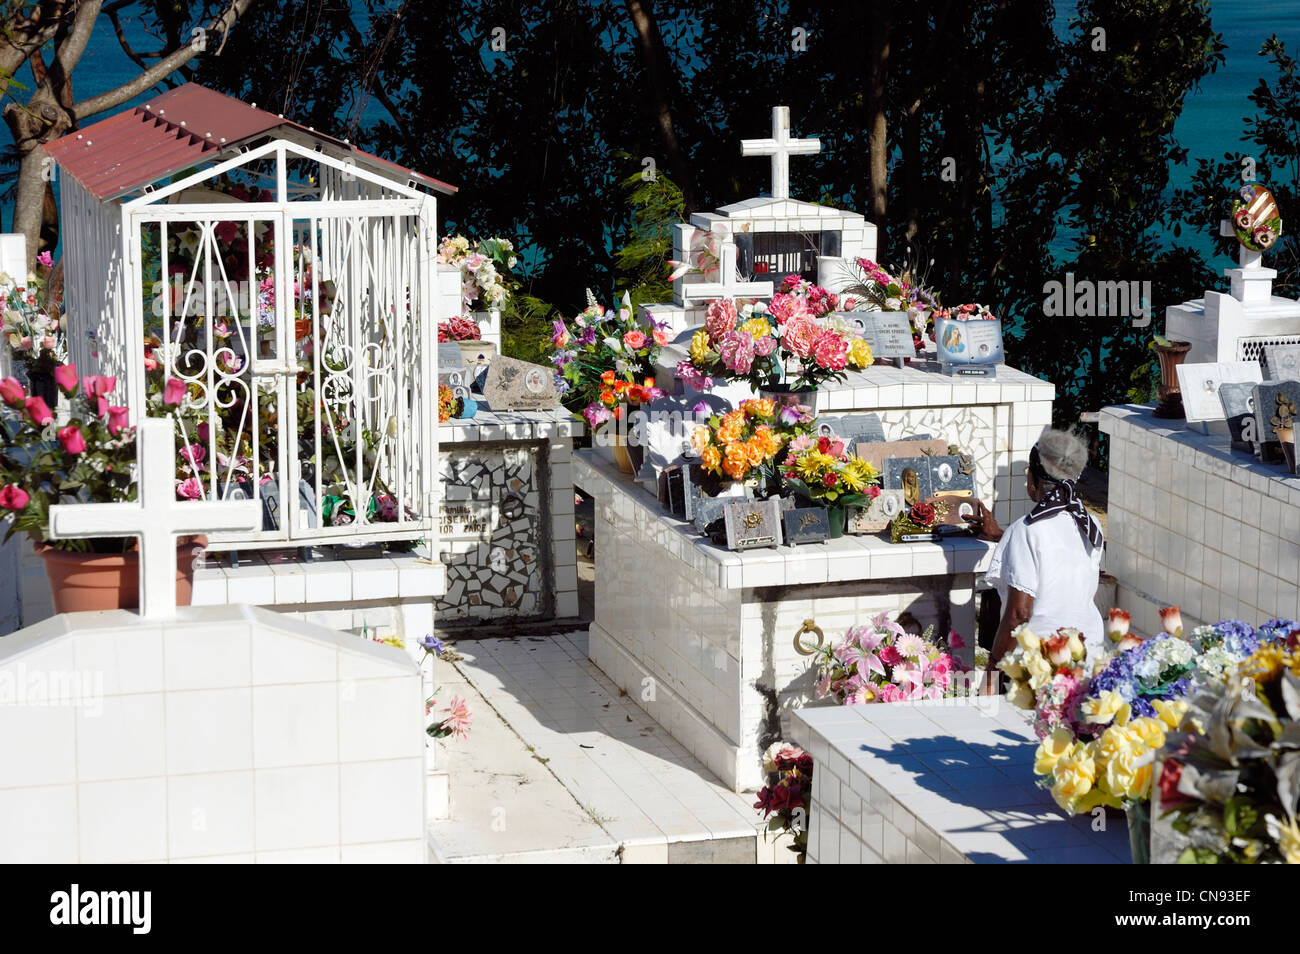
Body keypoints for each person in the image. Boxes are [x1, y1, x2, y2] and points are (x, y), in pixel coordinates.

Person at [963, 427, 1104, 668]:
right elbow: (1055, 552)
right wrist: (1000, 535)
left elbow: (1019, 615)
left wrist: (993, 667)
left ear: (1035, 479)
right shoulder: (1090, 524)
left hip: (1042, 661)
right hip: (1087, 655)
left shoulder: (1026, 530)